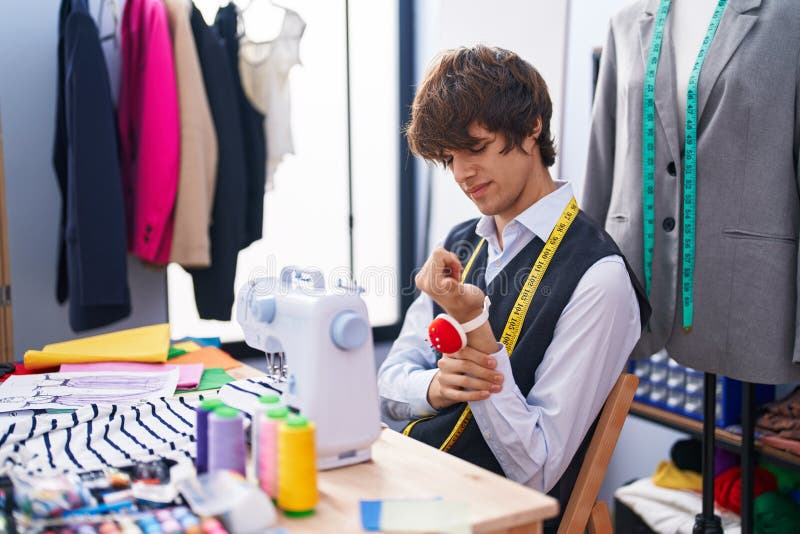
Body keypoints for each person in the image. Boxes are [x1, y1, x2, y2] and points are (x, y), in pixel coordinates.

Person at [377, 44, 650, 526]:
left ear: (531, 128)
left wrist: (473, 325)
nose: (461, 173)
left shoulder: (599, 278)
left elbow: (534, 469)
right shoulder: (460, 246)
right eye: (448, 158)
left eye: (475, 148)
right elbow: (390, 383)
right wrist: (436, 387)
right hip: (416, 484)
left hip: (494, 518)